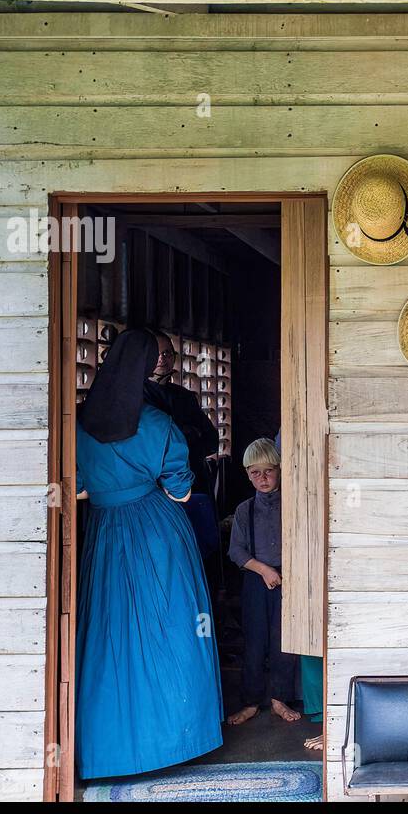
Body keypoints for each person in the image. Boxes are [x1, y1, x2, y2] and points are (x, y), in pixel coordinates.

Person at [74, 328, 223, 779]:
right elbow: (180, 490)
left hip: (103, 531)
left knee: (109, 629)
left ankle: (110, 747)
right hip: (158, 533)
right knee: (176, 627)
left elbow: (78, 487)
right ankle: (177, 737)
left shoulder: (77, 422)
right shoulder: (158, 424)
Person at [228, 438, 324, 751]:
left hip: (289, 578)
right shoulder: (245, 510)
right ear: (247, 474)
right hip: (258, 580)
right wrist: (264, 570)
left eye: (269, 471)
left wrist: (286, 572)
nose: (263, 478)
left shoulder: (293, 506)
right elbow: (236, 551)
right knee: (255, 641)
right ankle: (252, 701)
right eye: (255, 473)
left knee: (284, 641)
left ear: (280, 470)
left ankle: (280, 699)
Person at [145, 330, 220, 558]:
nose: (162, 359)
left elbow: (211, 440)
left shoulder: (184, 396)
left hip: (192, 482)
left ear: (175, 357)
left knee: (197, 550)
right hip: (154, 489)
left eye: (167, 353)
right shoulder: (137, 396)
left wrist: (185, 436)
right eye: (156, 353)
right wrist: (186, 434)